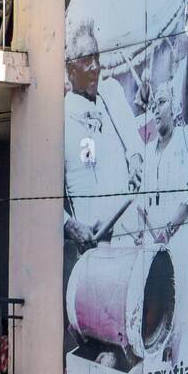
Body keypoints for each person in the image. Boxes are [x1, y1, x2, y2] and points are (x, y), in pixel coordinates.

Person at [63, 18, 143, 250]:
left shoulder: (112, 93)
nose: (95, 66)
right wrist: (70, 226)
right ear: (70, 70)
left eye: (97, 57)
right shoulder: (61, 119)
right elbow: (39, 196)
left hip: (131, 235)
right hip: (96, 245)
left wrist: (136, 162)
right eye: (86, 60)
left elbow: (134, 145)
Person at [135, 84, 188, 246]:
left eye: (161, 102)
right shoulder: (148, 150)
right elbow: (141, 203)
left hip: (180, 238)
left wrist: (168, 231)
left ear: (174, 108)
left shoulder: (184, 138)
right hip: (152, 242)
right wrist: (141, 232)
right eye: (153, 106)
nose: (155, 109)